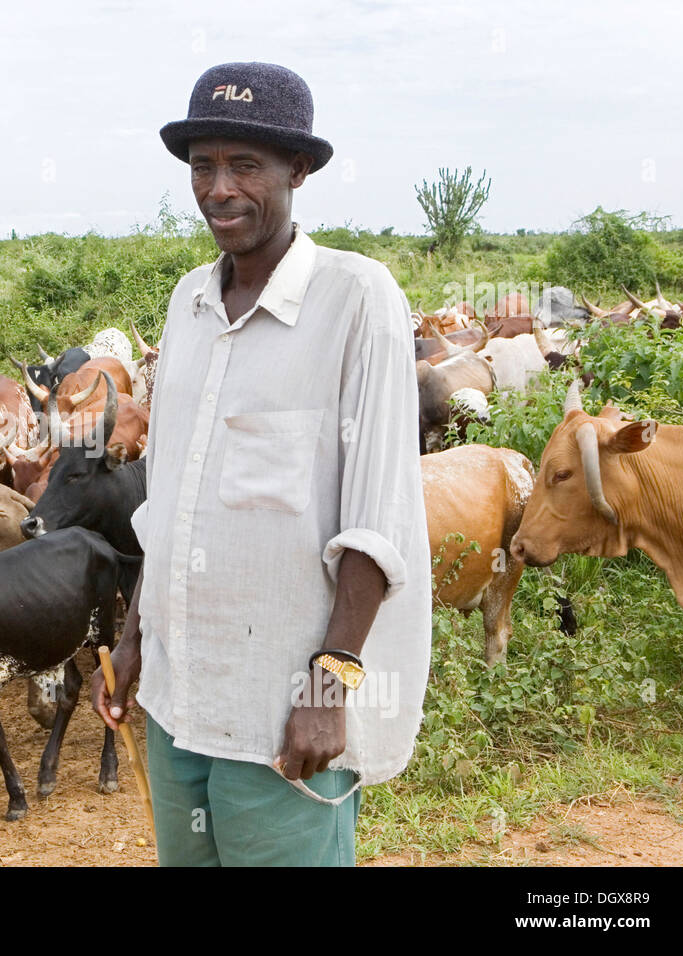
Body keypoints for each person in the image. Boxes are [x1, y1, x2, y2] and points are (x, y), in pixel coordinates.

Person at [91, 62, 431, 867]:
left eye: (245, 164)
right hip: (178, 700)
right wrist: (135, 639)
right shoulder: (188, 304)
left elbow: (377, 518)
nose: (219, 188)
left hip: (281, 716)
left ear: (297, 170)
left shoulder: (357, 299)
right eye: (203, 165)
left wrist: (328, 689)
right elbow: (168, 500)